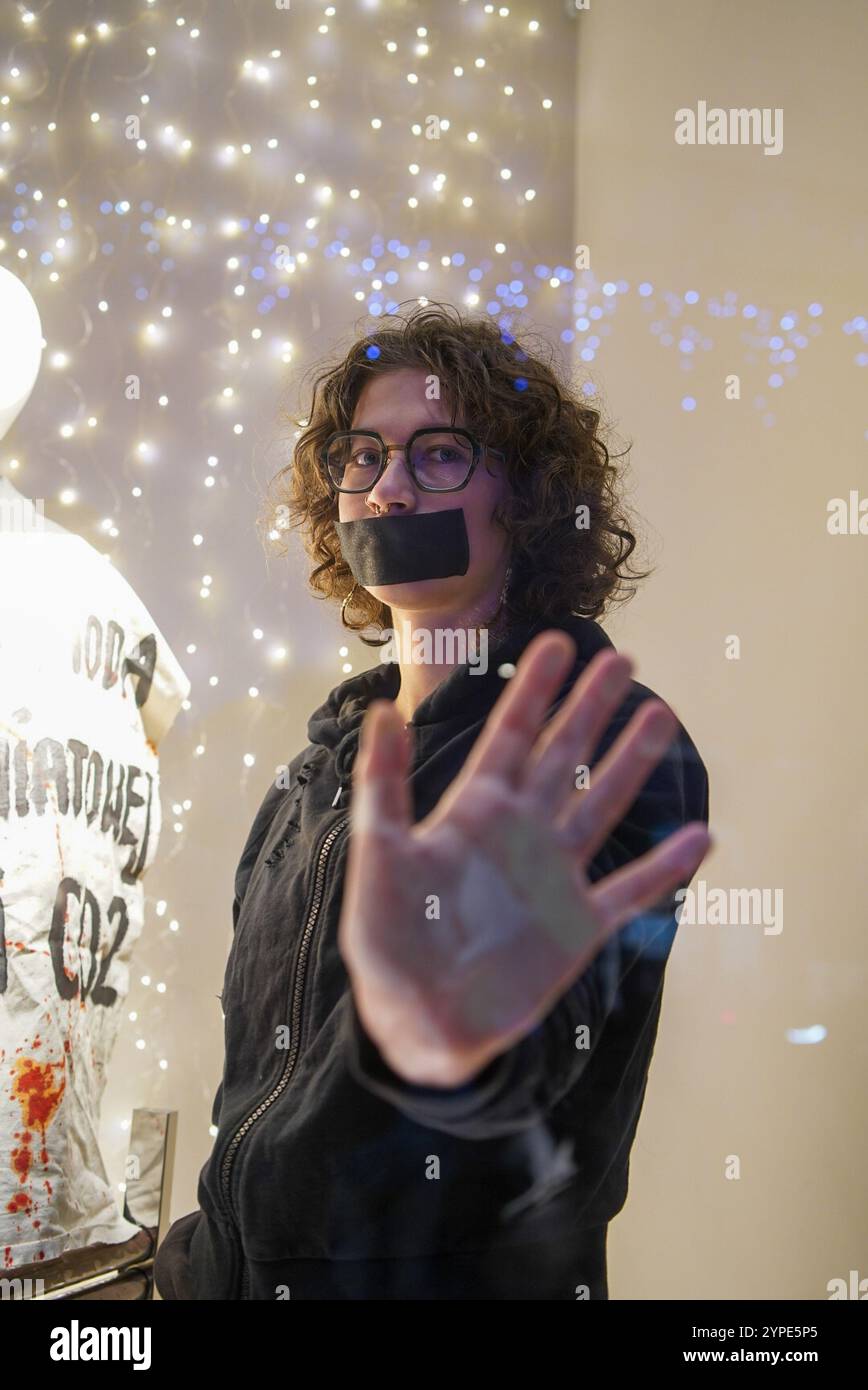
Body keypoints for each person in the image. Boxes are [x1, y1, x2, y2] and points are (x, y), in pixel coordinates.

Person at [154, 302, 711, 1301]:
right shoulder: (310, 784)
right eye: (361, 457)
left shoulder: (598, 739)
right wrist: (201, 1262)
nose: (390, 489)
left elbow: (524, 1075)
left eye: (440, 454)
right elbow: (267, 1109)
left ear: (526, 497)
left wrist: (444, 1036)